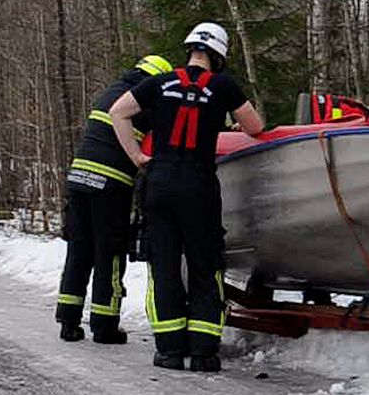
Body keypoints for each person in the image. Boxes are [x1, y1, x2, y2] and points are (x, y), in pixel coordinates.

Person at [108, 22, 264, 372]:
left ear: (190, 48)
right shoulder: (223, 86)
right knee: (205, 265)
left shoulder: (161, 83)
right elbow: (255, 126)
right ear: (219, 55)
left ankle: (169, 351)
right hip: (199, 186)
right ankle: (204, 353)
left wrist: (136, 156)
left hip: (160, 183)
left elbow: (117, 111)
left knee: (163, 266)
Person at [55, 54, 173, 345]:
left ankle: (68, 321)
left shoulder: (111, 91)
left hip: (79, 177)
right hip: (110, 182)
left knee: (79, 250)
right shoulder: (145, 98)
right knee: (110, 253)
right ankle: (105, 324)